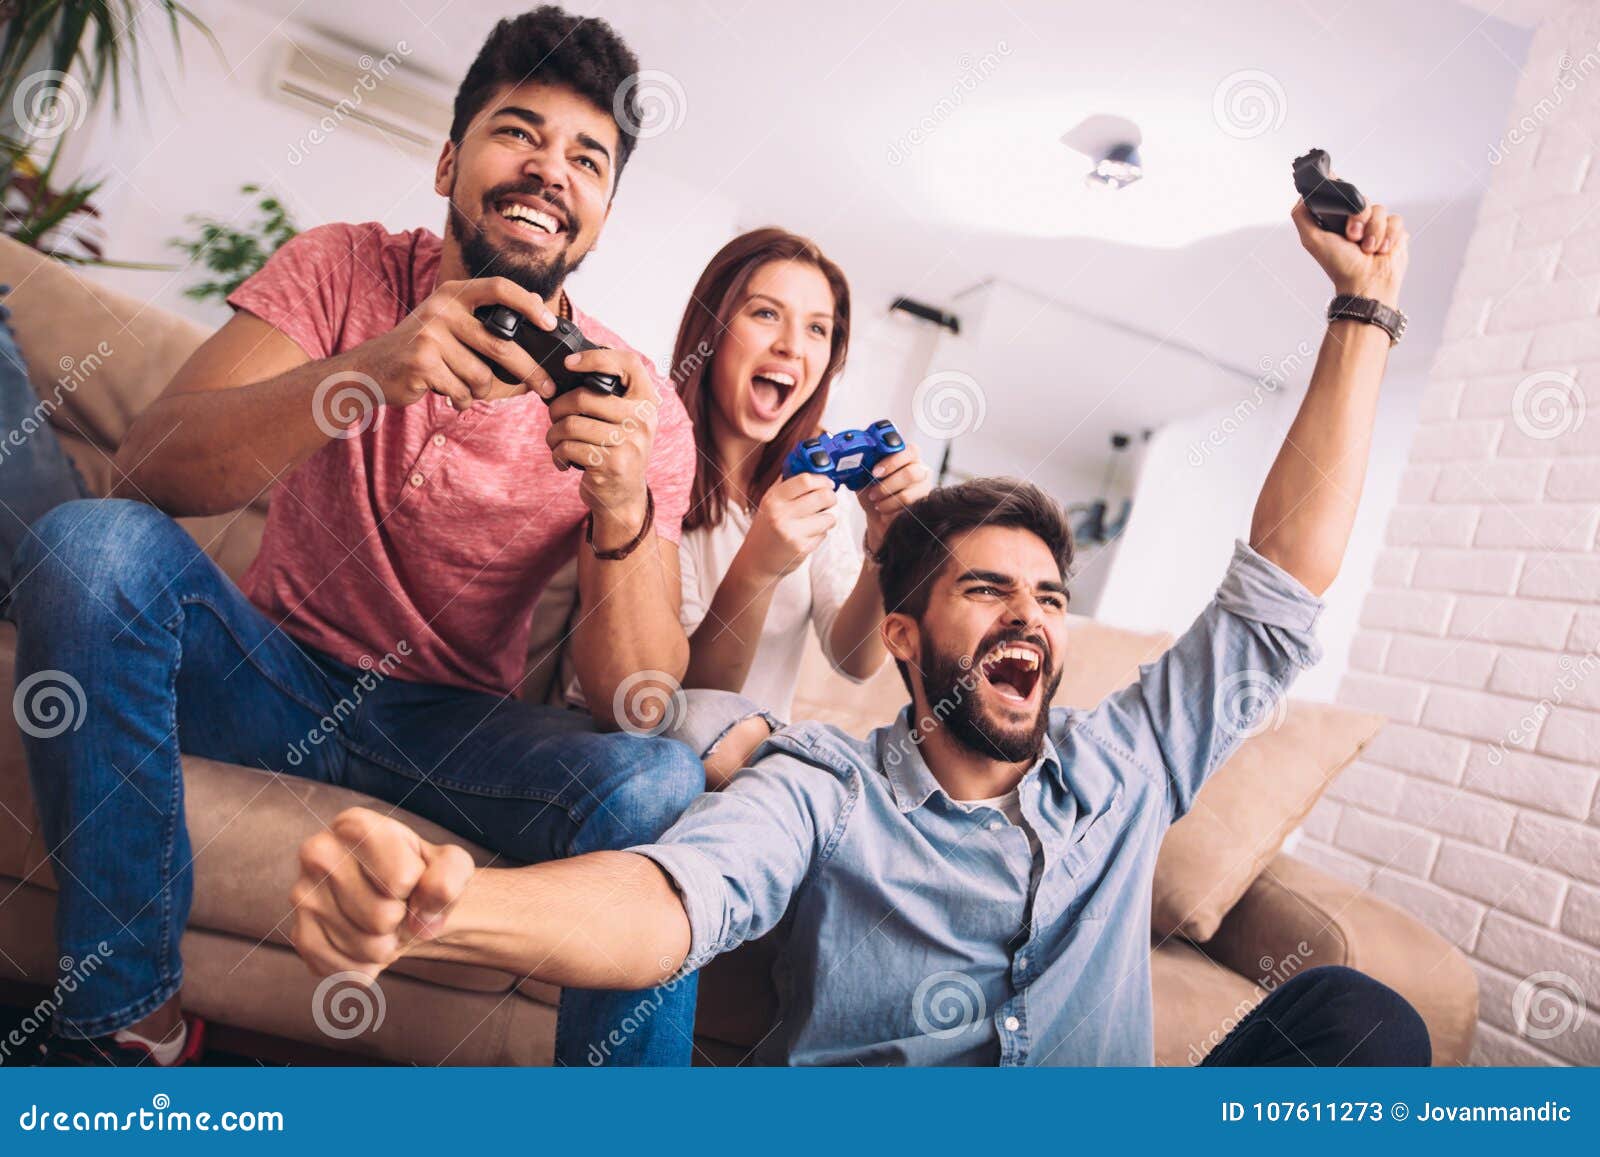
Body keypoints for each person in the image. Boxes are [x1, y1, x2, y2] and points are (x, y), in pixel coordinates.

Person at [289, 195, 1433, 1065]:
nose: (1026, 613)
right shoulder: (823, 785)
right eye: (985, 590)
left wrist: (1364, 309)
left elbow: (1277, 584)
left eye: (1045, 596)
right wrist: (454, 907)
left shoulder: (1126, 760)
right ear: (907, 634)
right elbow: (669, 896)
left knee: (1358, 1016)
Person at [7, 7, 708, 1067]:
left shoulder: (637, 402)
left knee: (660, 784)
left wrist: (621, 504)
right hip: (268, 676)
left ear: (602, 213)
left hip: (458, 736)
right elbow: (151, 470)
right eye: (516, 131)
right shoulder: (343, 269)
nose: (549, 168)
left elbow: (635, 701)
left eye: (586, 157)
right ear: (448, 160)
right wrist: (367, 370)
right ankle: (127, 1022)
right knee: (85, 546)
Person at [666, 228, 932, 785]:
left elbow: (855, 660)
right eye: (766, 314)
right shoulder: (657, 474)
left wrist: (885, 546)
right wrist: (760, 565)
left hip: (756, 781)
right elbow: (685, 706)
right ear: (710, 331)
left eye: (818, 328)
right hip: (677, 765)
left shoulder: (814, 486)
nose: (793, 345)